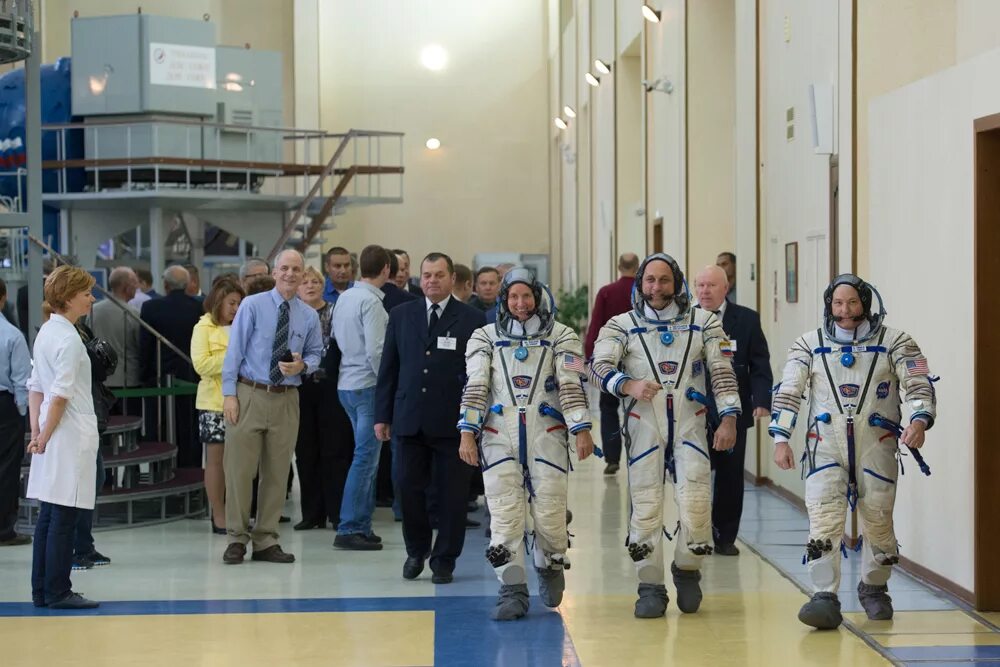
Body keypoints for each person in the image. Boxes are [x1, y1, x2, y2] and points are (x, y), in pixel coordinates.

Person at [770, 274, 936, 629]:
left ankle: (874, 588)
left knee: (878, 518)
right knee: (824, 519)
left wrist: (919, 420)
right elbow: (788, 391)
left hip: (876, 445)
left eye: (852, 303)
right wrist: (780, 438)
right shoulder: (808, 345)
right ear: (829, 305)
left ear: (866, 303)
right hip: (824, 445)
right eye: (838, 304)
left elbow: (918, 382)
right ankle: (823, 595)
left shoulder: (896, 342)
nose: (845, 311)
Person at [591, 253, 740, 619]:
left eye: (664, 280)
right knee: (645, 507)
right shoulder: (620, 325)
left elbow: (722, 374)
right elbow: (597, 368)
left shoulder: (704, 323)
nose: (657, 288)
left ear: (677, 283)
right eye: (650, 281)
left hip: (691, 425)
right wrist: (628, 383)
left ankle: (687, 569)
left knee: (697, 502)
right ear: (640, 284)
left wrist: (729, 419)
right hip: (644, 427)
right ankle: (651, 584)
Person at [456, 267, 594, 620]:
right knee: (504, 515)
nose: (520, 304)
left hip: (546, 434)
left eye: (526, 296)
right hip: (498, 436)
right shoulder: (484, 337)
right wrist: (467, 432)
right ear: (504, 299)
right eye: (513, 297)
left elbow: (571, 384)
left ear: (538, 296)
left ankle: (550, 565)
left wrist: (580, 428)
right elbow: (476, 387)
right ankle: (512, 590)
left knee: (549, 511)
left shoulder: (561, 336)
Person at [375, 252, 487, 583]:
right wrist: (382, 414)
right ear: (418, 279)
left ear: (452, 279)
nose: (431, 281)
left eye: (439, 275)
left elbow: (478, 375)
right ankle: (417, 550)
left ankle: (444, 559)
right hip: (409, 419)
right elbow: (389, 368)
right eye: (426, 275)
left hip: (453, 423)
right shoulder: (400, 314)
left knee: (452, 496)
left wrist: (475, 420)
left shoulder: (472, 319)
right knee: (408, 489)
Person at [220, 250, 323, 565]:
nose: (291, 274)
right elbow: (235, 351)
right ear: (275, 272)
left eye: (296, 269)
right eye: (285, 268)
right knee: (239, 470)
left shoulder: (308, 316)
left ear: (303, 274)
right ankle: (236, 538)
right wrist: (229, 394)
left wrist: (303, 366)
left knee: (277, 473)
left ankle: (265, 540)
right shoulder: (252, 305)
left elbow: (317, 353)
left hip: (287, 398)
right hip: (250, 392)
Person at [25, 265, 100, 609]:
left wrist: (37, 432)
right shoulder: (69, 339)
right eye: (86, 293)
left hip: (51, 431)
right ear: (69, 298)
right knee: (63, 516)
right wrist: (46, 434)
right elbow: (60, 394)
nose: (91, 298)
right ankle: (59, 590)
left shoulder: (46, 334)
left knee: (48, 514)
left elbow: (35, 388)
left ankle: (41, 589)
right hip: (68, 433)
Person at [694, 265, 772, 556]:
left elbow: (760, 364)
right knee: (697, 472)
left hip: (734, 410)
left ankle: (724, 537)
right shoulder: (685, 321)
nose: (704, 291)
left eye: (711, 285)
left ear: (725, 289)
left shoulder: (746, 319)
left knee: (730, 475)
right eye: (700, 285)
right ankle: (697, 532)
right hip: (696, 408)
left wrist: (762, 400)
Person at [331, 245, 391, 551]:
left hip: (347, 384)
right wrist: (388, 386)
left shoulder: (345, 298)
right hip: (367, 386)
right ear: (386, 271)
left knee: (366, 457)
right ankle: (350, 527)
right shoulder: (371, 304)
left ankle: (362, 525)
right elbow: (376, 351)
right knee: (365, 459)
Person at [293, 267, 354, 531]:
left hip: (331, 385)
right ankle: (311, 513)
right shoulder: (292, 313)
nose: (310, 286)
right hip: (300, 387)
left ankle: (336, 511)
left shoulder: (335, 309)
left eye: (315, 281)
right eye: (304, 282)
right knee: (305, 451)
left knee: (335, 450)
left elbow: (341, 344)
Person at [191, 278, 245, 535]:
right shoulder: (203, 327)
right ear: (218, 303)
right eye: (231, 303)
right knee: (215, 461)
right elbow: (201, 365)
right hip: (213, 403)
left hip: (244, 401)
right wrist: (234, 358)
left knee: (239, 462)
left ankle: (239, 511)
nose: (236, 308)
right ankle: (219, 514)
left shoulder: (244, 327)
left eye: (239, 303)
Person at [139, 265, 202, 468]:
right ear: (187, 285)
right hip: (191, 376)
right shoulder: (198, 308)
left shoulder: (151, 308)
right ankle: (190, 471)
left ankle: (161, 470)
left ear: (165, 285)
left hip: (158, 379)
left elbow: (145, 345)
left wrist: (143, 376)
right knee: (189, 427)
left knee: (159, 427)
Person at [583, 252, 639, 475]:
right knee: (639, 411)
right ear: (637, 267)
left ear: (618, 266)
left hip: (610, 361)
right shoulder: (643, 291)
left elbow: (596, 325)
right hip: (639, 361)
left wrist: (590, 358)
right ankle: (638, 455)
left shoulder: (606, 292)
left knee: (608, 409)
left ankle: (612, 458)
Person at [70, 319, 118, 570]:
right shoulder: (63, 336)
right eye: (85, 294)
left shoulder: (81, 330)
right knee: (83, 484)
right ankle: (76, 548)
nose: (91, 299)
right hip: (77, 419)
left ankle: (84, 545)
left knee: (94, 480)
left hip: (90, 412)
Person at [376, 252, 418, 515]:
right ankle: (396, 500)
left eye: (406, 268)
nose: (401, 273)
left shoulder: (415, 300)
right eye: (397, 268)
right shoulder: (396, 305)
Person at [0, 278, 31, 547]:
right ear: (3, 299)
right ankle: (4, 530)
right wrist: (23, 414)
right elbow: (22, 380)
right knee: (7, 469)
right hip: (5, 407)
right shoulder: (12, 335)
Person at [88, 267, 142, 414]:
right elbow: (139, 346)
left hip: (99, 381)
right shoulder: (133, 314)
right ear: (127, 286)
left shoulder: (93, 311)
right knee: (129, 424)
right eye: (135, 283)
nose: (137, 287)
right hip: (128, 381)